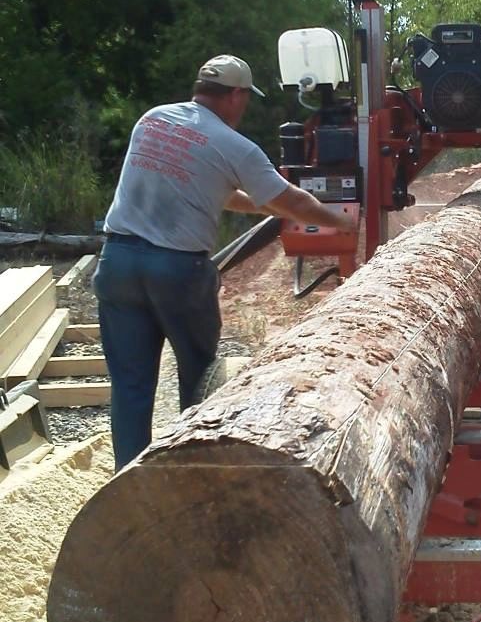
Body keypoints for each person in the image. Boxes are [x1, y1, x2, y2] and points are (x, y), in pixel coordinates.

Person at [95, 53, 355, 470]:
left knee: (130, 386)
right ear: (236, 95)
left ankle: (128, 482)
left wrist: (267, 207)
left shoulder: (154, 120)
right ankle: (195, 473)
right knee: (200, 379)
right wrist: (341, 222)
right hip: (176, 273)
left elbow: (213, 189)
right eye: (246, 99)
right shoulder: (234, 145)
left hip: (118, 263)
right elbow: (291, 199)